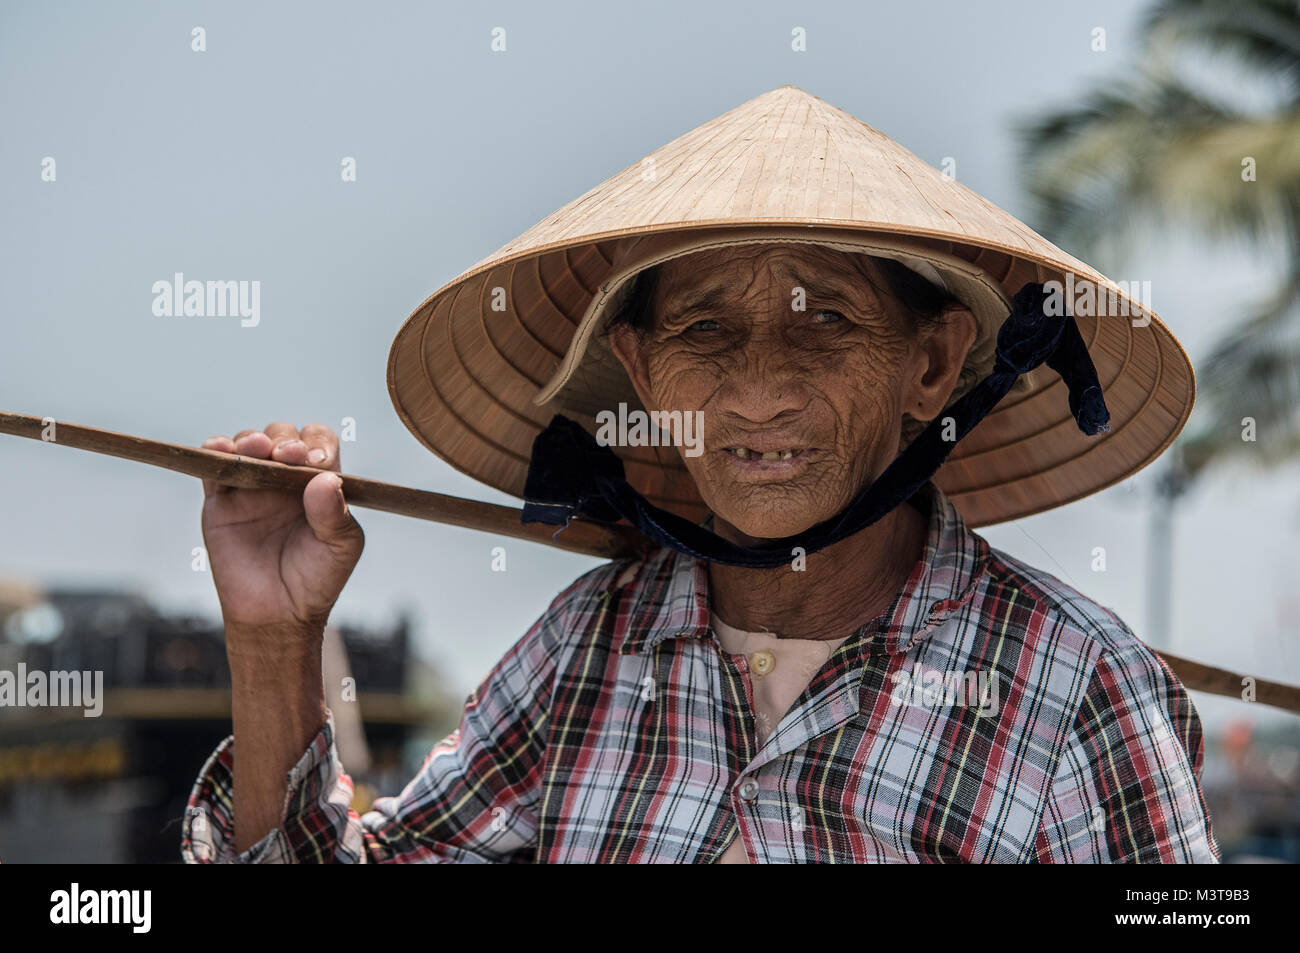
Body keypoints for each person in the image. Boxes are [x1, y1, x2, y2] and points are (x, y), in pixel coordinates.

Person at [182, 86, 1220, 863]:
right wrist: (276, 642)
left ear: (933, 364)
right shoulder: (583, 652)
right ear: (639, 370)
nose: (757, 389)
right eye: (704, 328)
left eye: (825, 321)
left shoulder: (1079, 684)